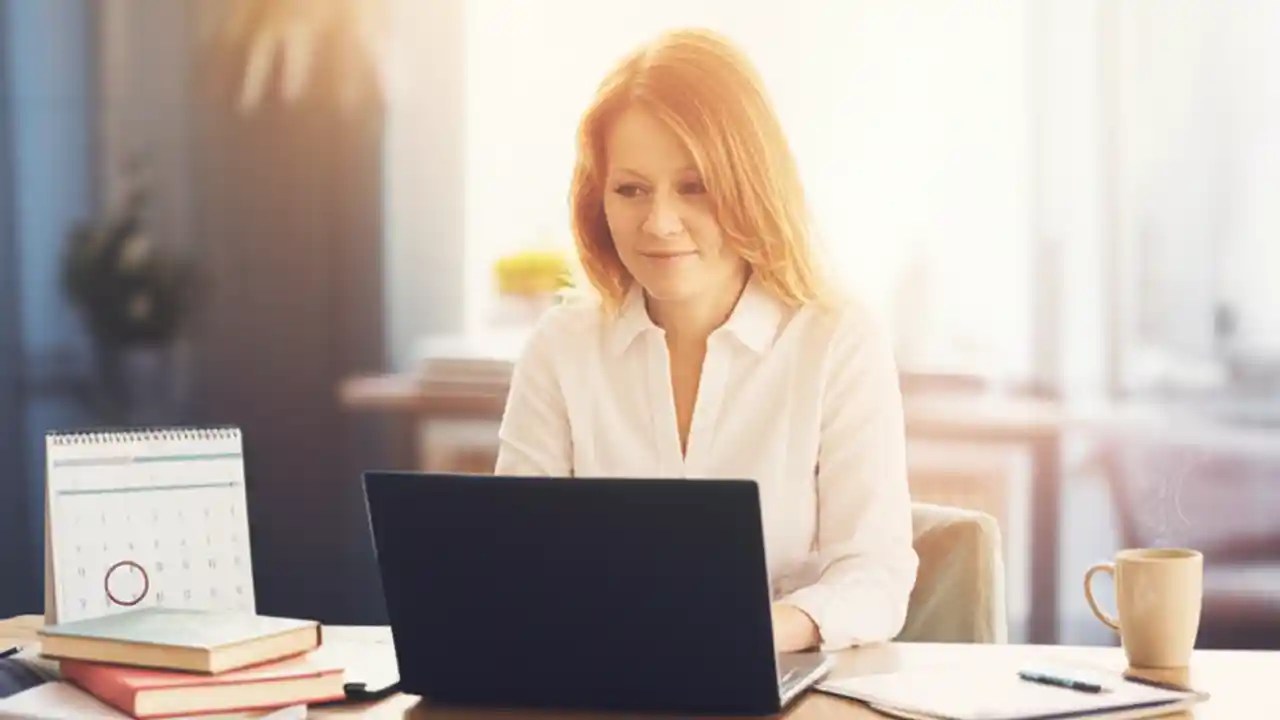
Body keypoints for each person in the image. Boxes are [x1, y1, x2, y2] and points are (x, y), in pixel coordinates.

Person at [494, 27, 918, 653]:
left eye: (694, 186)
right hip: (598, 683)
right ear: (598, 199)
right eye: (630, 189)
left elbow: (875, 573)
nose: (659, 222)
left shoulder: (837, 338)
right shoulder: (562, 346)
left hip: (778, 683)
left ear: (750, 186)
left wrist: (753, 634)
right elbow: (510, 562)